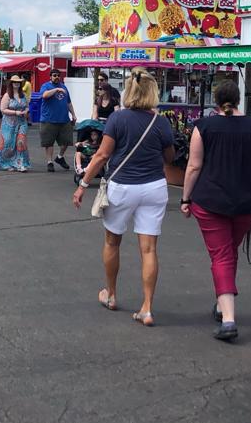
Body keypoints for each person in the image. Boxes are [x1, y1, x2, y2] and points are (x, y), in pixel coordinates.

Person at [179, 80, 251, 342]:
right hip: (247, 202)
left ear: (216, 100)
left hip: (210, 200)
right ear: (238, 100)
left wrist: (185, 198)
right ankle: (221, 304)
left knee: (222, 255)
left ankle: (228, 320)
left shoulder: (204, 127)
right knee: (228, 252)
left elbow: (193, 166)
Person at [72, 67, 174, 327]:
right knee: (149, 248)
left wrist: (83, 184)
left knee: (112, 241)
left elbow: (102, 155)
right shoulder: (161, 122)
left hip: (123, 186)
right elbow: (170, 158)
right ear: (153, 92)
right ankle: (147, 308)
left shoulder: (117, 120)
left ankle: (112, 294)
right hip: (154, 187)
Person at [39, 69, 77, 172]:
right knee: (49, 143)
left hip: (64, 119)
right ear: (50, 77)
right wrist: (56, 90)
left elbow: (68, 102)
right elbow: (44, 95)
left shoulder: (64, 87)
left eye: (58, 75)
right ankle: (50, 162)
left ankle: (60, 157)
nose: (56, 77)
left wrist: (73, 114)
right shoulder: (46, 86)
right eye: (54, 75)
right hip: (49, 119)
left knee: (67, 141)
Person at [0, 76, 30, 172]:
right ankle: (5, 163)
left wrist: (26, 111)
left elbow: (27, 106)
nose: (16, 84)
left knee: (21, 141)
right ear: (11, 83)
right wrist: (15, 112)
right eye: (14, 82)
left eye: (18, 82)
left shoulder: (23, 95)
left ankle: (20, 164)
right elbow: (3, 109)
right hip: (9, 123)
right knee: (8, 142)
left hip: (22, 122)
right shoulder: (7, 95)